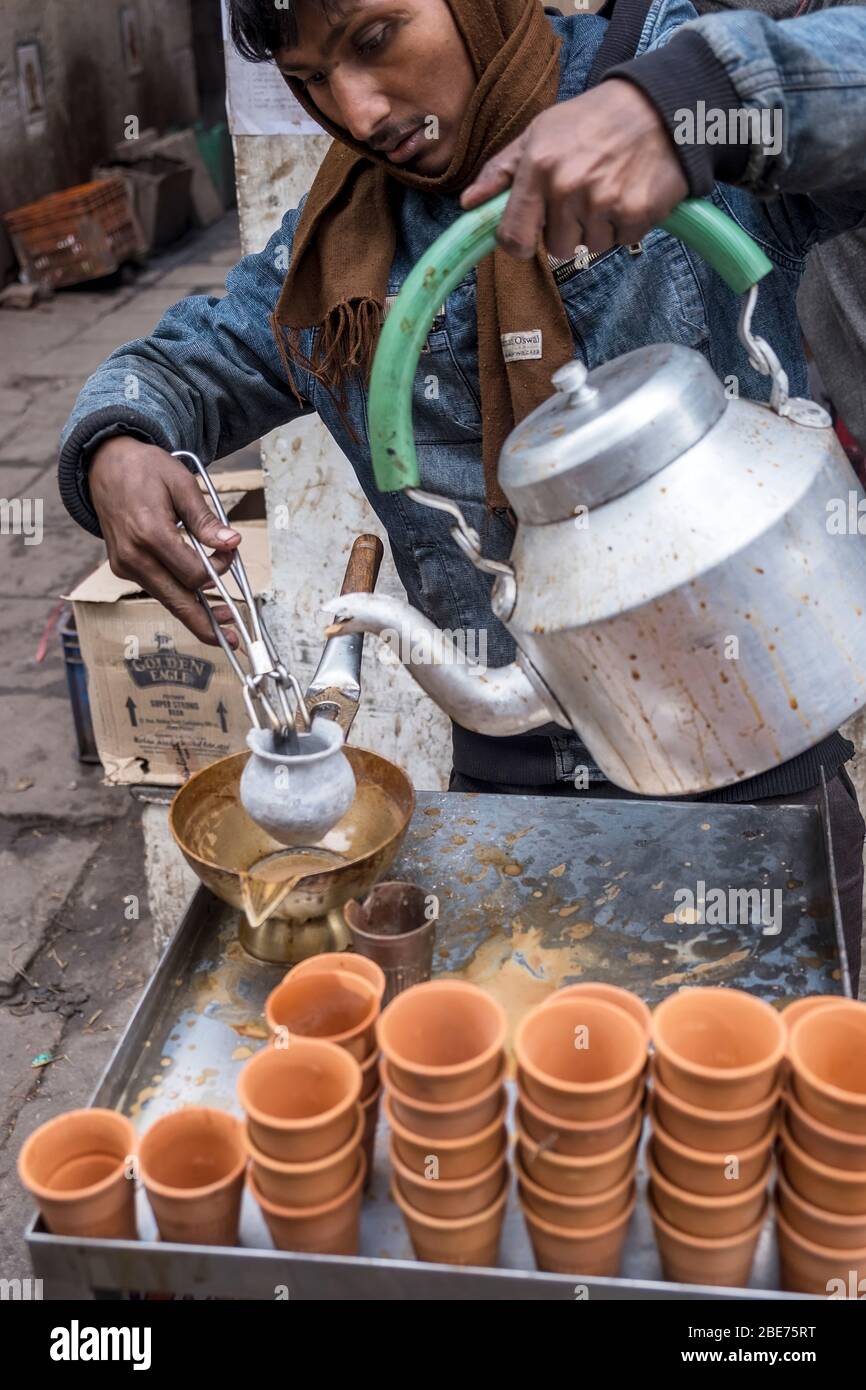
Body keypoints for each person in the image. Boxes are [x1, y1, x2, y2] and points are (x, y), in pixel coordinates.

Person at [58, 0, 866, 987]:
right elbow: (175, 367)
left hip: (754, 775)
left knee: (773, 1110)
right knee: (505, 1101)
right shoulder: (342, 244)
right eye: (311, 79)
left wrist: (688, 100)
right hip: (509, 789)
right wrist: (120, 440)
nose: (355, 110)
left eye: (373, 38)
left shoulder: (658, 81)